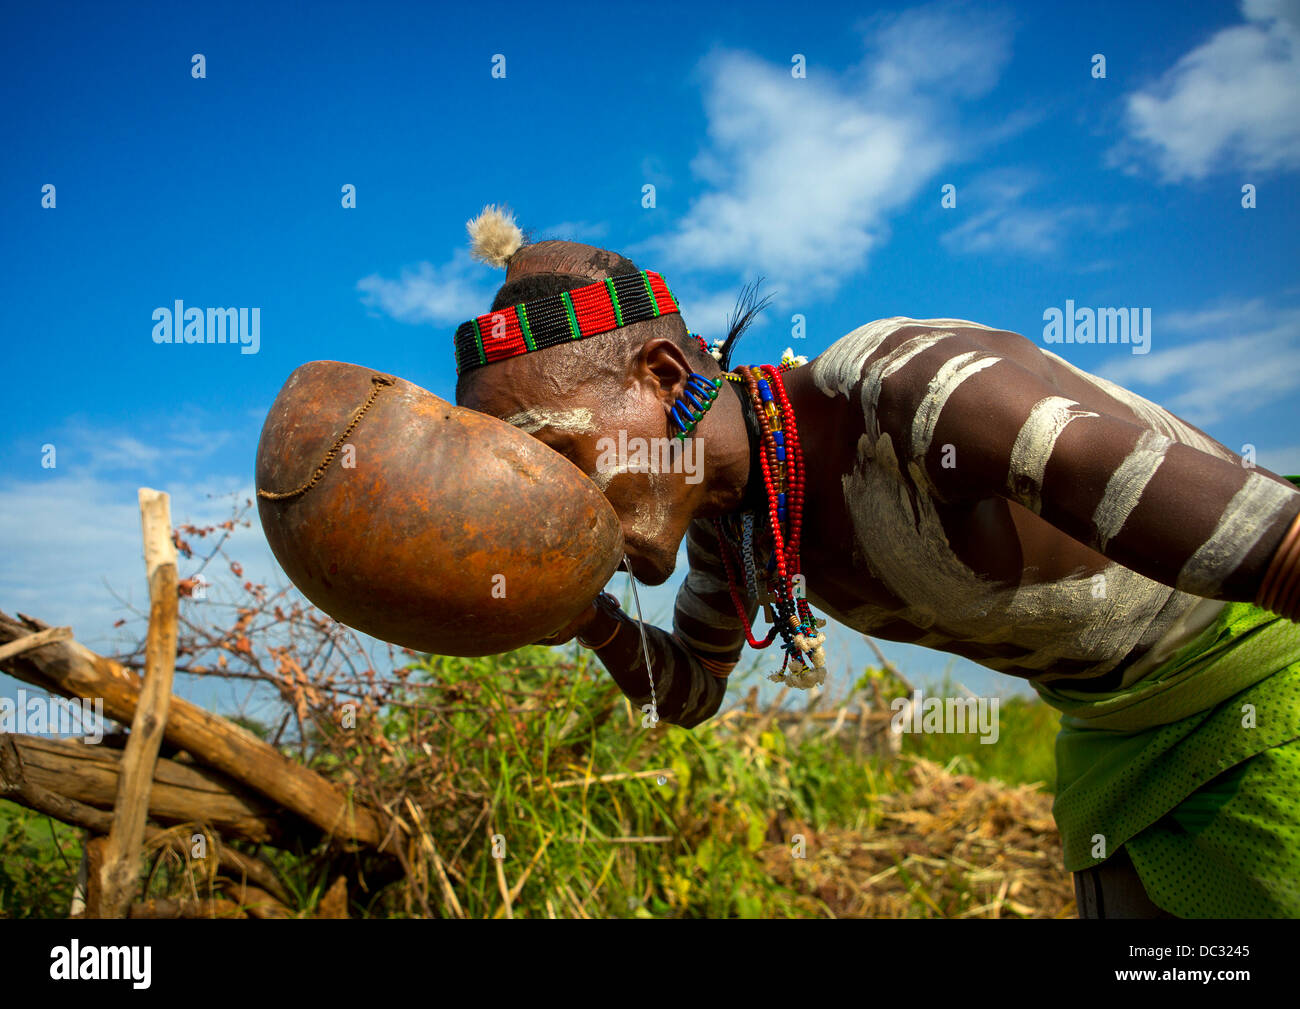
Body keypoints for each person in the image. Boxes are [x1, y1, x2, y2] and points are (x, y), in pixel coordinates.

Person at [451, 206, 1300, 918]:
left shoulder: (905, 395)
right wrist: (583, 617)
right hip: (1112, 743)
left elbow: (1273, 543)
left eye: (560, 455)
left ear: (665, 375)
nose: (558, 503)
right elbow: (697, 690)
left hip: (1261, 679)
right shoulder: (735, 528)